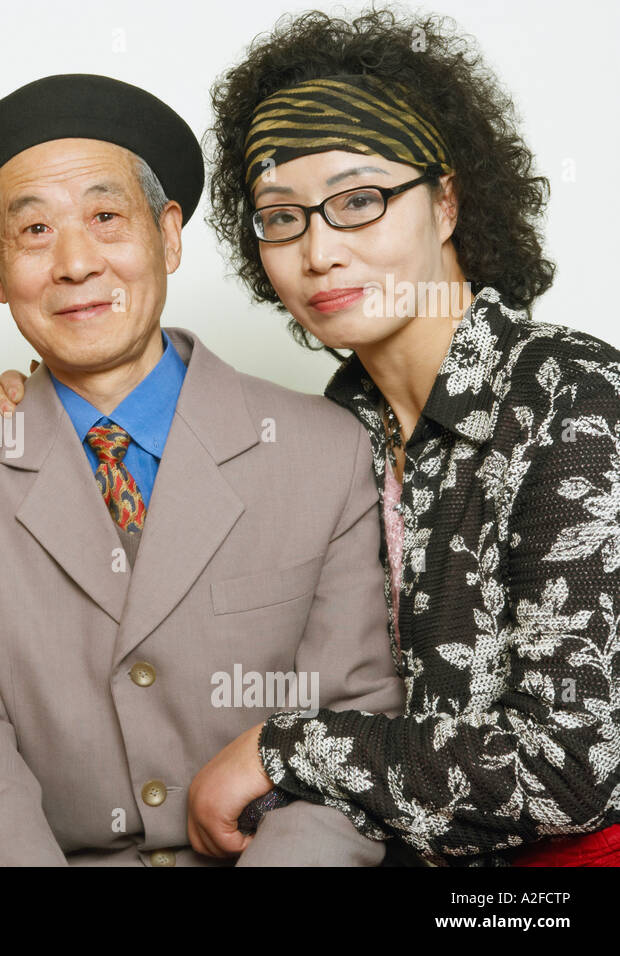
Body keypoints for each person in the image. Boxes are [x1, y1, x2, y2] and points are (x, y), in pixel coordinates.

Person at [0, 73, 403, 866]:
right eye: (34, 232)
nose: (76, 263)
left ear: (167, 235)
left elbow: (352, 717)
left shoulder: (323, 452)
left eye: (104, 217)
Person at [183, 8, 620, 866]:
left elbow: (574, 770)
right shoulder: (335, 426)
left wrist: (285, 748)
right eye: (282, 217)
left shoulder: (572, 399)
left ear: (447, 200)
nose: (319, 252)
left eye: (359, 201)